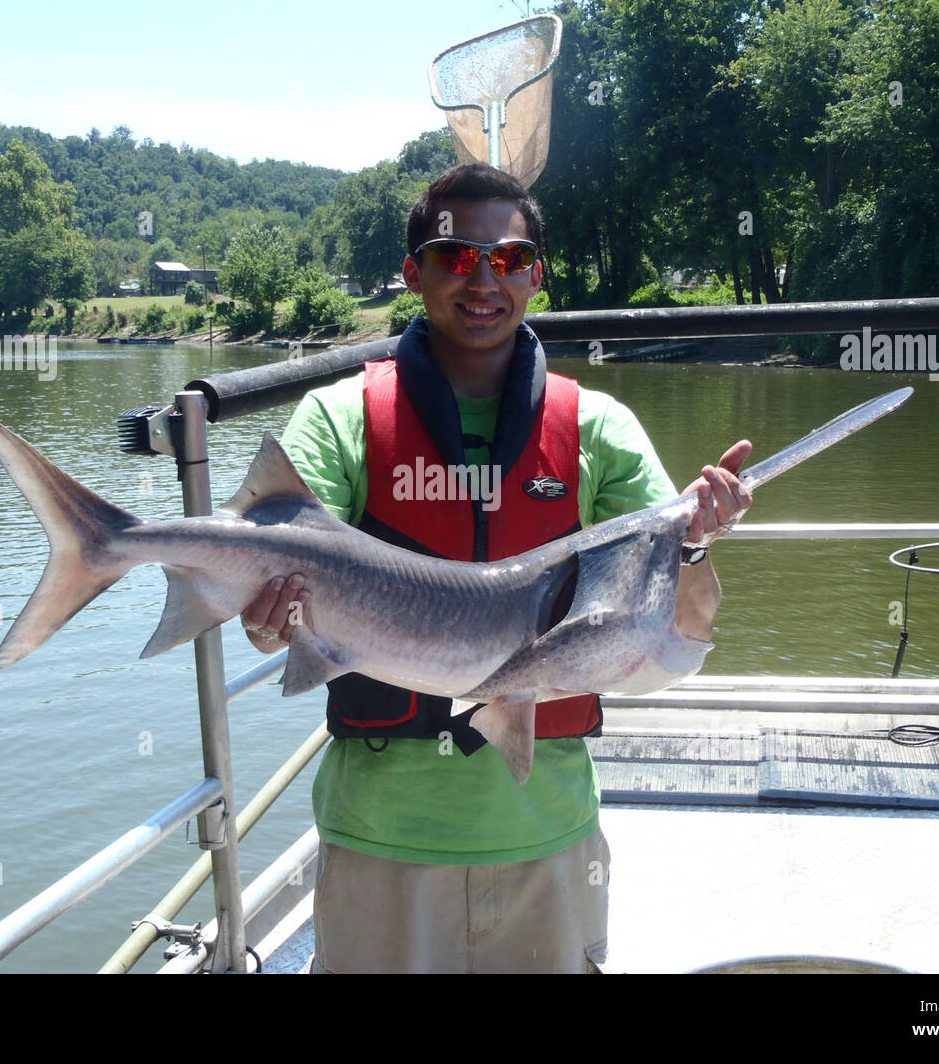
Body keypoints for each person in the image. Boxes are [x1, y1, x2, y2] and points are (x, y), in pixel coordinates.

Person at [239, 163, 752, 973]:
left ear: (537, 278)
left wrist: (690, 542)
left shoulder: (599, 428)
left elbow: (683, 636)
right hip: (380, 841)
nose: (484, 279)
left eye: (510, 259)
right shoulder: (339, 420)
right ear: (414, 273)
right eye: (455, 256)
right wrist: (266, 616)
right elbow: (272, 613)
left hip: (548, 838)